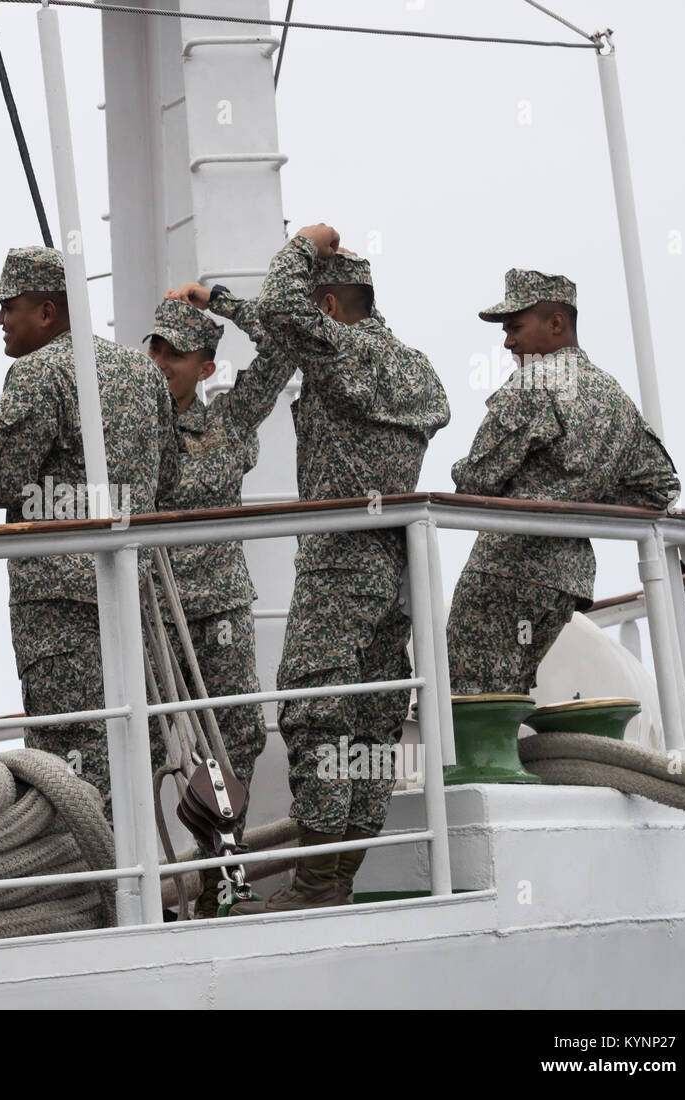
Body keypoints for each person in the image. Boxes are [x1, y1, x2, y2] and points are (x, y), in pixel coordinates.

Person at [230, 223, 450, 914]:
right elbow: (284, 327)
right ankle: (340, 876)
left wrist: (304, 245)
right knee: (374, 721)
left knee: (316, 709)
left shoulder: (339, 348)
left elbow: (284, 316)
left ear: (327, 309)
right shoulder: (410, 364)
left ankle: (316, 886)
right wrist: (215, 300)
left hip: (340, 564)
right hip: (396, 571)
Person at [0, 246, 177, 815]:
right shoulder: (142, 372)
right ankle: (132, 874)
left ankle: (88, 888)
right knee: (128, 737)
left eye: (8, 307)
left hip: (58, 601)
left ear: (46, 312)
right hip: (132, 589)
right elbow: (170, 476)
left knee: (66, 752)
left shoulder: (38, 373)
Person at [446, 269, 680, 696]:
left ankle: (485, 764)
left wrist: (513, 484)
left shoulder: (534, 382)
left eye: (515, 327)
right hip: (565, 580)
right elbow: (660, 488)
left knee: (467, 696)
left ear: (556, 323)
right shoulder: (613, 395)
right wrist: (577, 490)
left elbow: (476, 481)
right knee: (509, 694)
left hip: (506, 571)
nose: (507, 342)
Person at [144, 288, 296, 912]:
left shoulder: (228, 420)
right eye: (153, 348)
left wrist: (219, 300)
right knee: (142, 746)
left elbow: (285, 346)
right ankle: (135, 890)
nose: (158, 363)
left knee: (234, 742)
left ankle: (220, 882)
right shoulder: (124, 421)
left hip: (219, 610)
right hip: (150, 612)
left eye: (174, 354)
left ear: (205, 367)